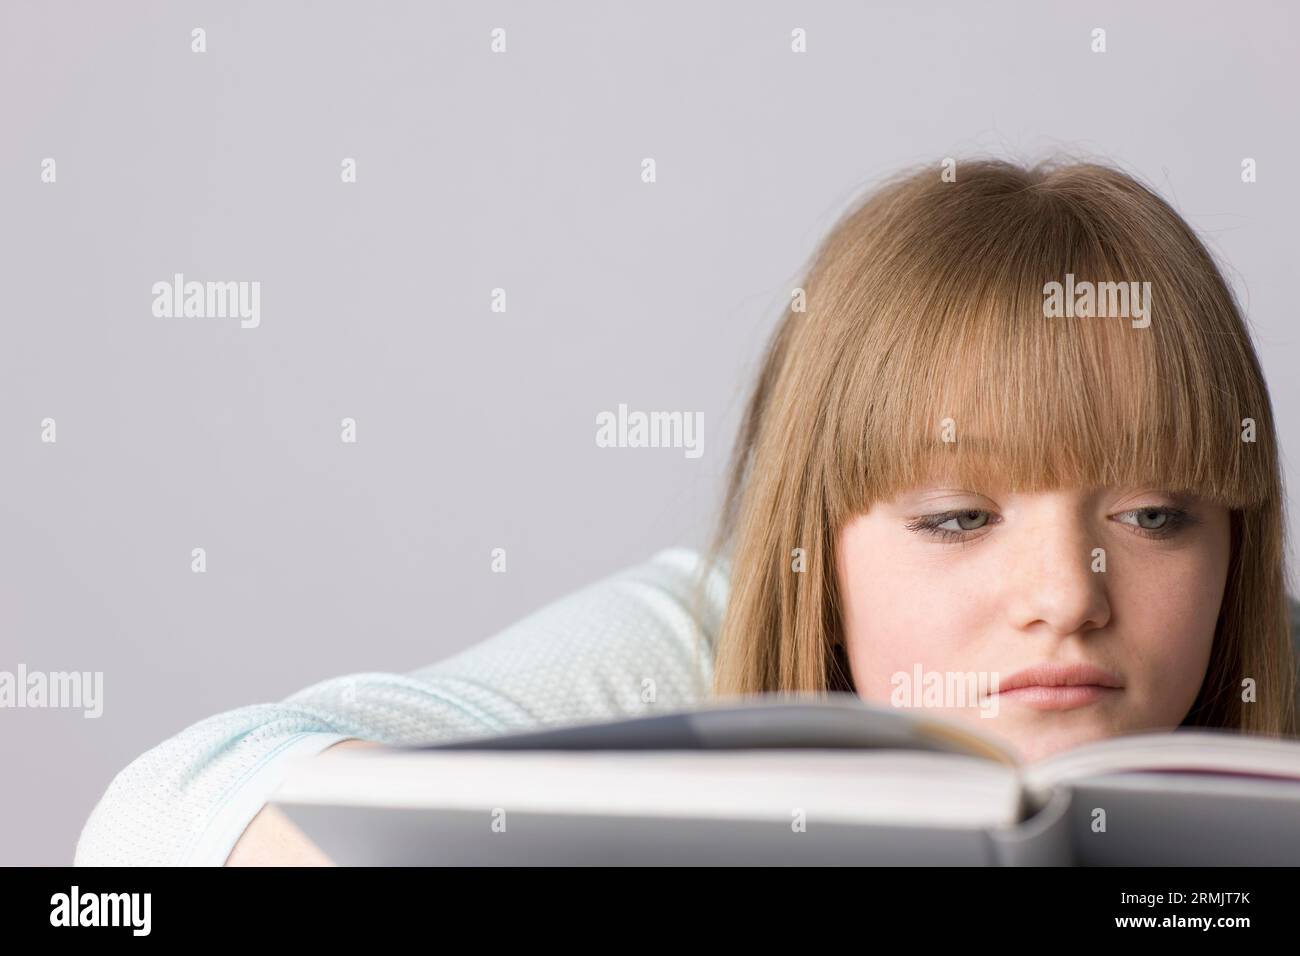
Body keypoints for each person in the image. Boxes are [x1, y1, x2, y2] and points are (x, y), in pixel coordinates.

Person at [74, 158, 1299, 867]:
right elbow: (159, 817)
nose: (1067, 595)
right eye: (955, 515)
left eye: (1152, 513)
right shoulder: (683, 642)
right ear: (816, 551)